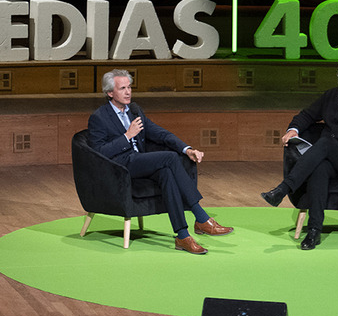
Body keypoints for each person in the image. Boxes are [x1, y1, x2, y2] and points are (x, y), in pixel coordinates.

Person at [87, 68, 233, 254]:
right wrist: (126, 136)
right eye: (122, 88)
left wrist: (187, 149)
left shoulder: (134, 110)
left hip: (139, 160)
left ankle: (182, 236)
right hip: (120, 166)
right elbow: (98, 152)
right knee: (170, 158)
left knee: (166, 173)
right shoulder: (99, 117)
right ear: (110, 93)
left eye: (129, 87)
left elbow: (160, 133)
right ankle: (201, 218)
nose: (128, 92)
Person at [260, 53, 338, 249]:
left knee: (325, 143)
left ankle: (283, 189)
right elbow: (307, 114)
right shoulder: (332, 95)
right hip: (332, 157)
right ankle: (314, 231)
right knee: (320, 168)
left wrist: (332, 142)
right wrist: (293, 129)